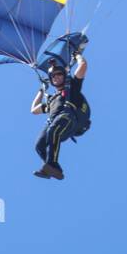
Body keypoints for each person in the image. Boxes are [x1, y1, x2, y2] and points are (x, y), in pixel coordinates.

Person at [31, 48, 90, 180]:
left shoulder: (72, 86)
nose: (56, 77)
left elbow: (83, 66)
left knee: (53, 130)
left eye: (59, 74)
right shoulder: (52, 100)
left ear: (64, 76)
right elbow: (34, 110)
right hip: (56, 121)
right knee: (39, 145)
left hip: (69, 118)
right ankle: (52, 169)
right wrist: (41, 90)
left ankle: (53, 165)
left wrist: (78, 56)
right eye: (53, 76)